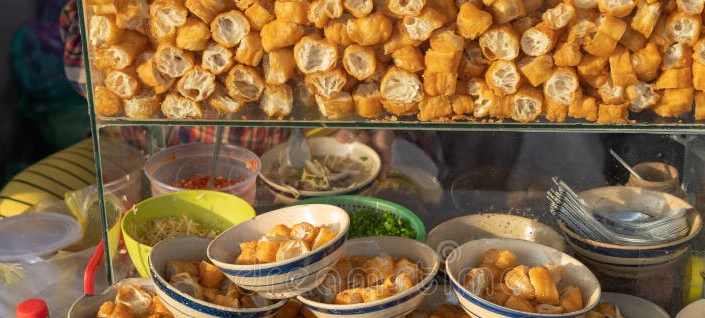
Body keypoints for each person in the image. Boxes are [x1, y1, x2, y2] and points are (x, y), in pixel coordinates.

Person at [58, 1, 443, 181]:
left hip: (333, 143)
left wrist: (384, 109)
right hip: (178, 157)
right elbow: (84, 59)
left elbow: (406, 38)